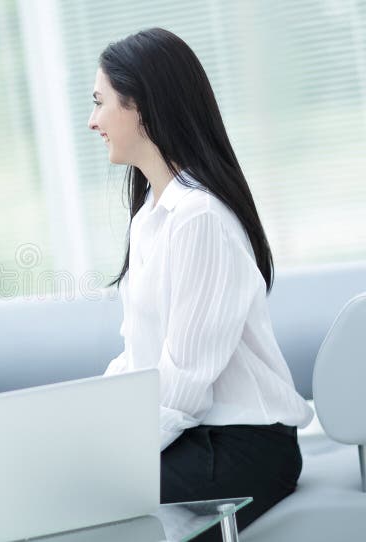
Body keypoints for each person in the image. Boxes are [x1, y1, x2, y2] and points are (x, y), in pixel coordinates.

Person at [87, 28, 313, 535]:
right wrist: (90, 431)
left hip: (244, 447)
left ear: (140, 107)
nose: (92, 120)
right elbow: (139, 359)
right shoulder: (152, 215)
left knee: (82, 497)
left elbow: (183, 384)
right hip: (199, 437)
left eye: (100, 103)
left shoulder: (200, 218)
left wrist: (110, 457)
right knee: (67, 484)